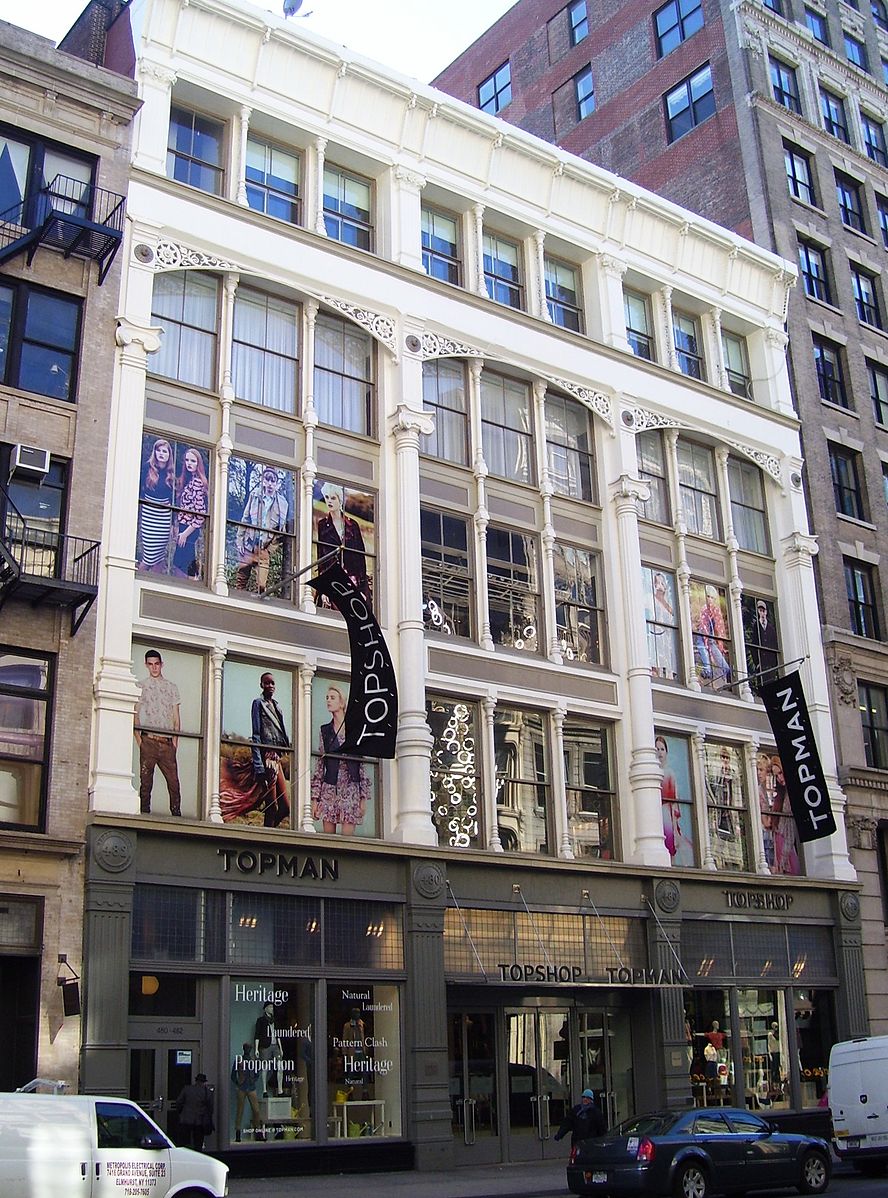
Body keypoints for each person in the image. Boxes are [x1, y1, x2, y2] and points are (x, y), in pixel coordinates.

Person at [311, 684, 371, 835]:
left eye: (332, 698)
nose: (328, 701)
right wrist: (315, 799)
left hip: (351, 786)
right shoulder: (325, 731)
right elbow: (320, 764)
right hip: (330, 786)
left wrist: (363, 798)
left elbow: (362, 765)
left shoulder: (355, 730)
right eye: (327, 698)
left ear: (342, 703)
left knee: (347, 838)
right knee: (328, 838)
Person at [134, 648, 181, 816]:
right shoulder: (141, 686)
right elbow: (135, 714)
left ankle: (176, 816)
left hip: (166, 742)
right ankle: (144, 816)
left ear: (162, 664)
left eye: (156, 664)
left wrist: (174, 742)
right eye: (150, 664)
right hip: (149, 740)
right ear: (146, 665)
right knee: (146, 783)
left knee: (174, 783)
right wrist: (140, 742)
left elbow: (176, 718)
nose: (154, 667)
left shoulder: (171, 687)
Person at [235, 465, 289, 594]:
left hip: (264, 549)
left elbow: (280, 533)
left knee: (261, 586)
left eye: (273, 481)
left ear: (276, 483)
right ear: (263, 481)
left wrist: (269, 550)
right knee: (241, 580)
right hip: (248, 546)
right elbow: (245, 519)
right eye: (267, 480)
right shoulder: (255, 496)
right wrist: (240, 541)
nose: (270, 484)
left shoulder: (282, 504)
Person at [316, 482, 371, 606]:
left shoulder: (352, 525)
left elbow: (360, 558)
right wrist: (323, 589)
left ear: (339, 500)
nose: (329, 501)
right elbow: (322, 559)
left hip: (353, 580)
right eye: (327, 497)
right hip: (333, 580)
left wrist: (361, 589)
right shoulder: (322, 525)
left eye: (333, 498)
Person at [250, 672, 291, 827]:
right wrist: (259, 766)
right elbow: (256, 735)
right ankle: (266, 836)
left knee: (285, 808)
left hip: (276, 758)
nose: (270, 686)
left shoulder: (277, 707)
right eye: (267, 683)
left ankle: (271, 831)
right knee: (271, 806)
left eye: (272, 683)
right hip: (266, 757)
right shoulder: (258, 704)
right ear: (261, 685)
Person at [137, 437, 175, 572]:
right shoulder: (147, 467)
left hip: (164, 515)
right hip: (149, 512)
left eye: (164, 451)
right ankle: (140, 575)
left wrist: (173, 524)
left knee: (159, 556)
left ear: (169, 454)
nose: (161, 454)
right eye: (159, 451)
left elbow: (173, 500)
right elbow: (139, 489)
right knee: (149, 556)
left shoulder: (171, 473)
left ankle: (153, 578)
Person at [171, 445, 209, 579]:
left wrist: (185, 534)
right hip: (183, 527)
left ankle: (192, 584)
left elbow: (200, 515)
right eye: (187, 460)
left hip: (189, 530)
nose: (189, 463)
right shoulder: (188, 480)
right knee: (180, 563)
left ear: (198, 463)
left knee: (185, 565)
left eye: (193, 461)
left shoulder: (198, 483)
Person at [694, 584, 732, 686]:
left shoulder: (716, 611)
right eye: (708, 596)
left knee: (725, 667)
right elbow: (702, 630)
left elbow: (720, 629)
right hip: (703, 639)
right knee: (707, 667)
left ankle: (723, 681)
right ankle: (708, 675)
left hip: (711, 640)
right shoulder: (703, 610)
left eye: (712, 597)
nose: (709, 599)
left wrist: (720, 645)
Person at [231, 1042, 262, 1142]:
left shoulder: (253, 1060)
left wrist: (254, 1080)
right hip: (242, 1087)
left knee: (256, 1110)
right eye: (246, 1048)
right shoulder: (239, 1060)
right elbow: (233, 1074)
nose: (247, 1050)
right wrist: (238, 1083)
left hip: (251, 1087)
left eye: (249, 1048)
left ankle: (258, 1131)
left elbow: (257, 1073)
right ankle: (238, 1133)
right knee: (240, 1111)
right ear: (243, 1049)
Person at [175, 1072, 213, 1152]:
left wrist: (180, 1111)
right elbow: (210, 1107)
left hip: (186, 1118)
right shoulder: (207, 1092)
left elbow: (179, 1101)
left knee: (184, 1140)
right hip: (199, 1120)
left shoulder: (187, 1089)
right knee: (198, 1142)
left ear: (196, 1080)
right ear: (204, 1082)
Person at [255, 1002, 284, 1096]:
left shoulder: (274, 1020)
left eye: (272, 1007)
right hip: (265, 1046)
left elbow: (278, 1035)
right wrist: (256, 1049)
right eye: (270, 1007)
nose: (272, 1009)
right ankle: (264, 1090)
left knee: (280, 1067)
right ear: (266, 1008)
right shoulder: (261, 1020)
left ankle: (280, 1090)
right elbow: (257, 1035)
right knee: (265, 1068)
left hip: (275, 1045)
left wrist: (280, 1048)